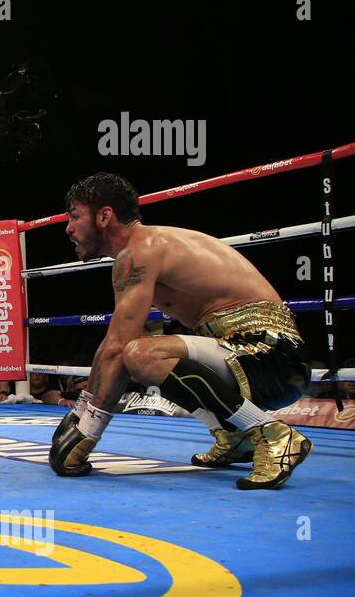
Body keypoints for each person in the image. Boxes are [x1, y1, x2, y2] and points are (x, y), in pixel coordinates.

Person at [50, 173, 312, 489]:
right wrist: (81, 411)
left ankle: (272, 434)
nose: (69, 228)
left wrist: (88, 427)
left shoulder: (140, 252)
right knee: (139, 357)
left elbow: (119, 347)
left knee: (141, 355)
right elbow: (112, 346)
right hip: (254, 352)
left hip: (272, 357)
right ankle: (233, 436)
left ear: (104, 216)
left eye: (75, 216)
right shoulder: (143, 249)